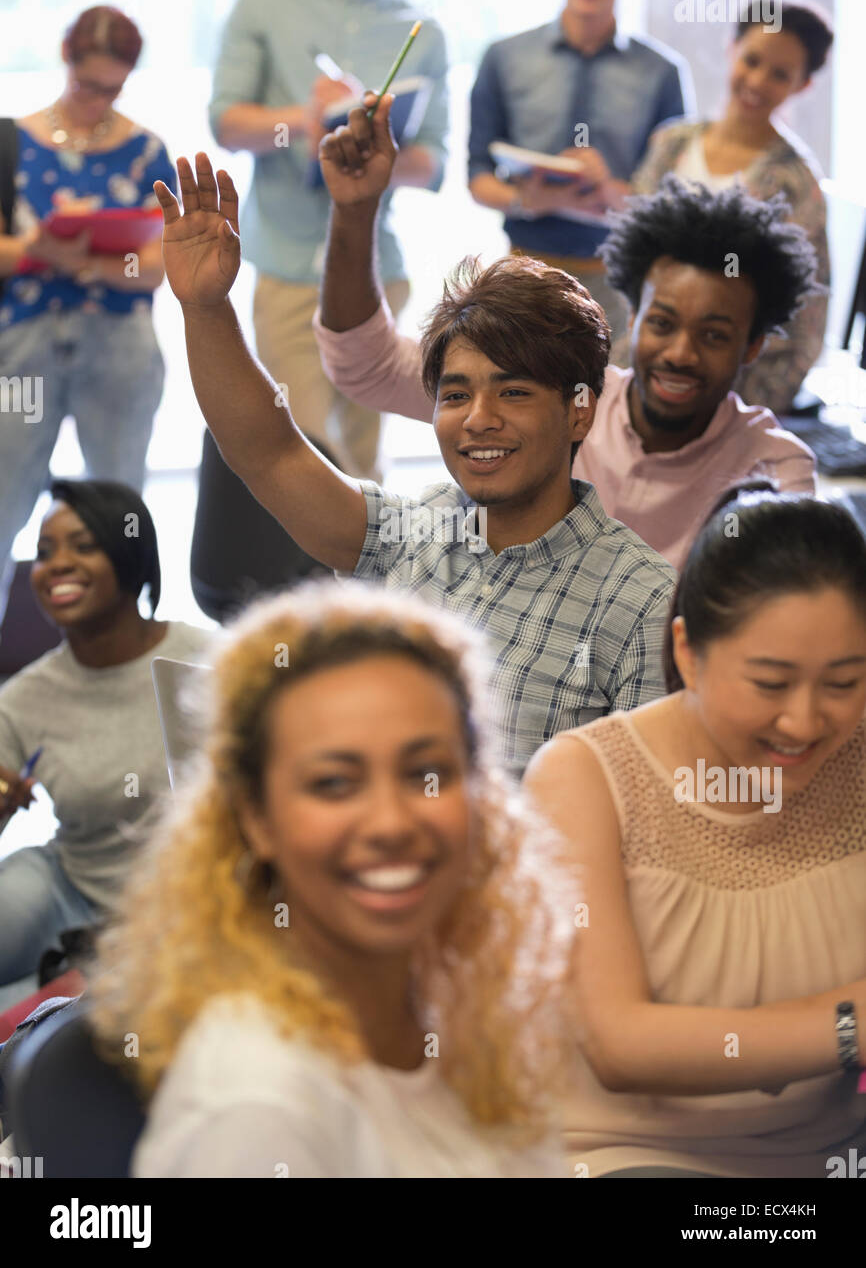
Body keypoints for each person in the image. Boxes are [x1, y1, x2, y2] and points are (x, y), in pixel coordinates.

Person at [152, 150, 675, 777]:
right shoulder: (411, 533)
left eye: (513, 392)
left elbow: (649, 830)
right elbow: (269, 452)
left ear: (580, 413)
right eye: (455, 395)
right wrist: (206, 307)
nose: (478, 418)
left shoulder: (643, 602)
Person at [87, 583, 573, 1177]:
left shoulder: (457, 1012)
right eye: (334, 784)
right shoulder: (258, 1101)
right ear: (255, 818)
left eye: (426, 773)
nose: (391, 822)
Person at [311, 99, 817, 571]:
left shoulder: (772, 469)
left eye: (713, 336)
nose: (680, 353)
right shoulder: (551, 397)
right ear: (634, 317)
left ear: (752, 346)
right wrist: (356, 211)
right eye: (662, 323)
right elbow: (366, 364)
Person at [525, 488, 866, 1178]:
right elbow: (621, 1045)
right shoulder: (583, 778)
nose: (804, 722)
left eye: (844, 682)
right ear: (688, 650)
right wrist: (851, 1023)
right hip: (625, 1156)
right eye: (770, 684)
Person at [209, 0, 448, 481]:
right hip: (289, 271)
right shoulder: (267, 2)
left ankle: (363, 582)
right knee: (300, 458)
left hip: (376, 274)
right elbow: (228, 124)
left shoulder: (423, 31)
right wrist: (304, 121)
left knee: (364, 470)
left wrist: (377, 143)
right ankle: (301, 579)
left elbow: (431, 164)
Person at [0, 480, 212, 1011]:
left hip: (184, 903)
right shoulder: (24, 697)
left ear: (131, 554)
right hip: (68, 889)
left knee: (55, 1019)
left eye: (84, 546)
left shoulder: (210, 658)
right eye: (45, 553)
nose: (56, 566)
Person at [0, 6, 175, 596]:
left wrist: (86, 260)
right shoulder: (9, 144)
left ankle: (123, 660)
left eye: (112, 88)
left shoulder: (147, 152)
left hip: (119, 344)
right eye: (87, 84)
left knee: (120, 510)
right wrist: (40, 249)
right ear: (65, 59)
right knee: (4, 505)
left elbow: (156, 269)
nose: (97, 100)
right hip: (24, 347)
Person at [468, 0, 693, 341]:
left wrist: (609, 191)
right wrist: (529, 201)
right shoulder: (502, 58)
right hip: (520, 278)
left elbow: (672, 206)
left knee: (608, 410)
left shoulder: (663, 74)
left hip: (620, 286)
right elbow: (476, 177)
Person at [606, 0, 833, 414]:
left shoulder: (799, 184)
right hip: (639, 383)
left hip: (732, 401)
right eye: (752, 60)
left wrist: (750, 414)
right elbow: (627, 266)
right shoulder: (671, 144)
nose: (758, 80)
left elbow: (806, 320)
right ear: (732, 49)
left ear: (802, 85)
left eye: (780, 74)